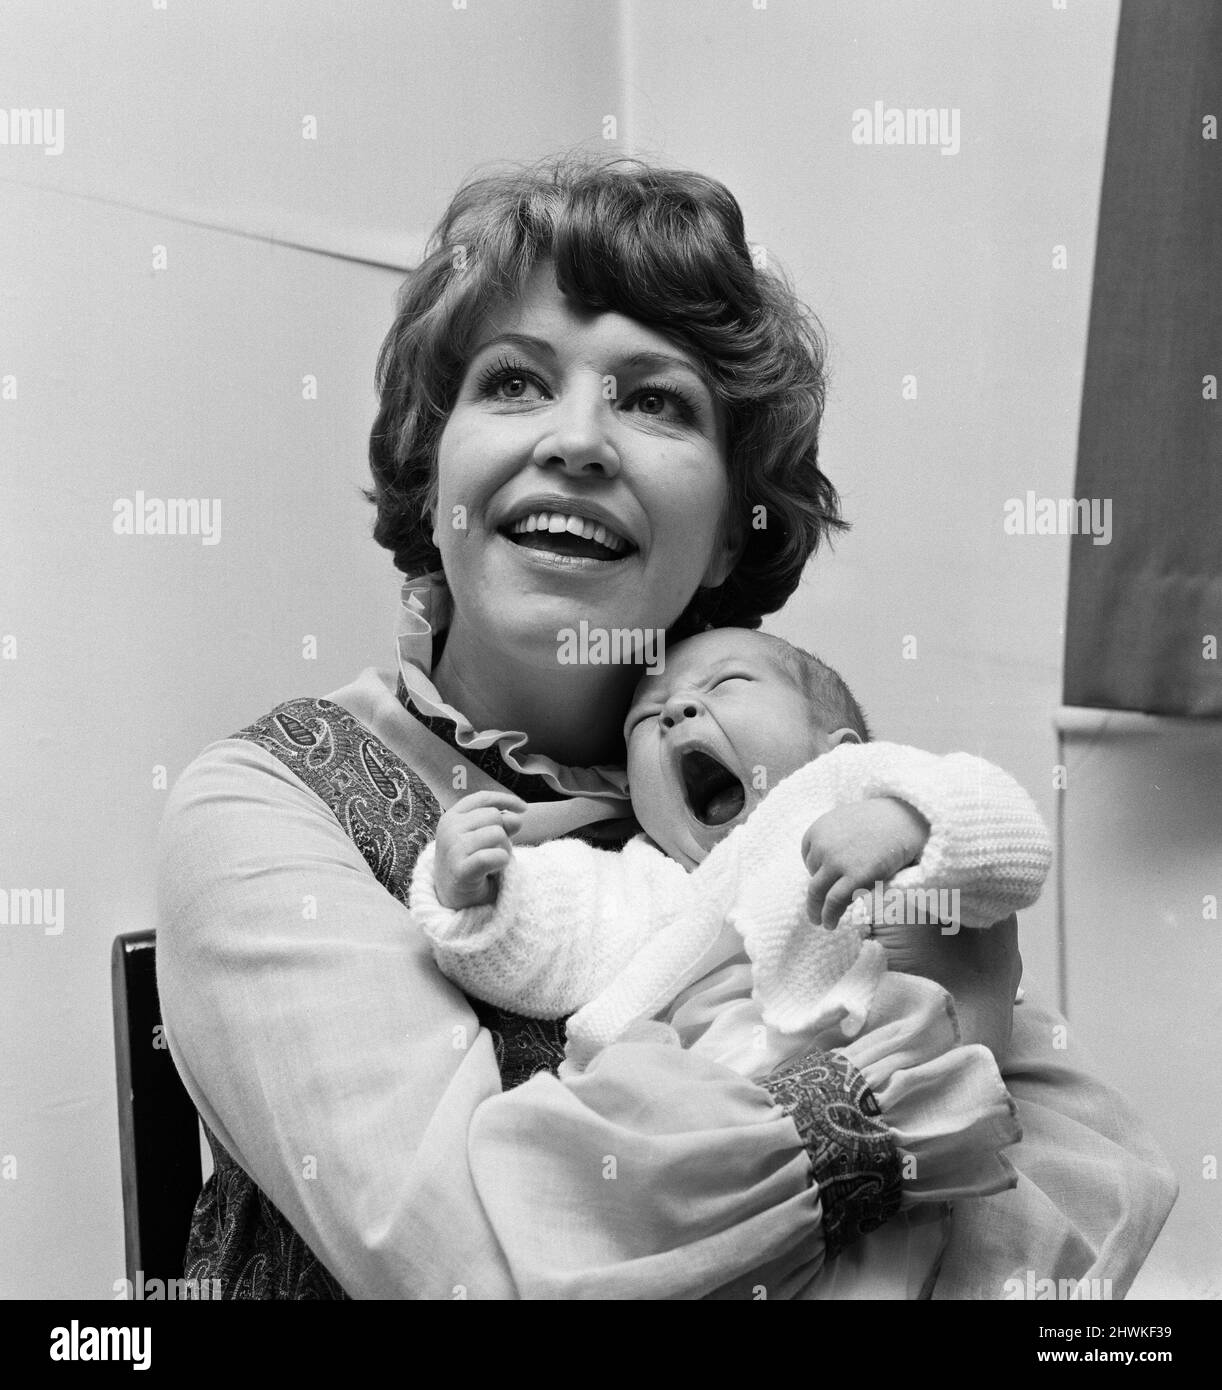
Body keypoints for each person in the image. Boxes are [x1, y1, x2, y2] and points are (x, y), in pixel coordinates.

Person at [156, 155, 1176, 1299]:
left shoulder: (802, 792)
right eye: (511, 382)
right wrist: (914, 1105)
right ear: (428, 472)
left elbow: (1074, 1172)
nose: (579, 442)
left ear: (733, 532)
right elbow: (477, 1274)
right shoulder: (263, 808)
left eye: (654, 401)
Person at [411, 627, 1053, 1085]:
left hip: (897, 1091)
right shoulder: (645, 876)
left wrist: (906, 821)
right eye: (645, 720)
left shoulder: (858, 785)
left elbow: (1011, 838)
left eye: (726, 684)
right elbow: (548, 947)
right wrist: (477, 896)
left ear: (835, 745)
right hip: (710, 1136)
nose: (678, 711)